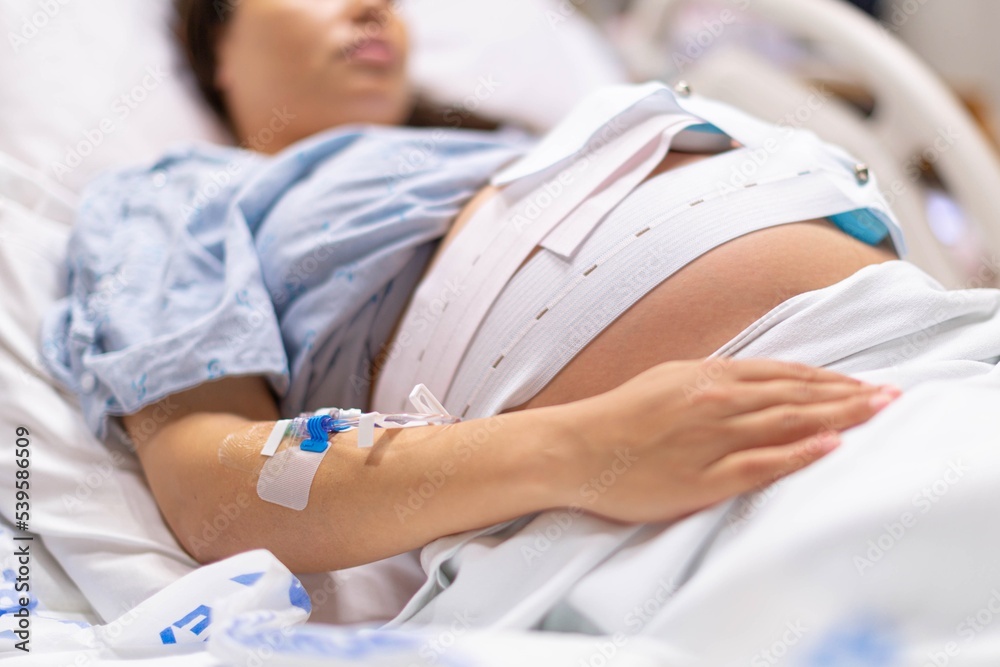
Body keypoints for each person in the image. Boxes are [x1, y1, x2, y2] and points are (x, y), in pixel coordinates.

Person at [41, 0, 902, 574]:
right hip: (709, 472)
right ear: (215, 54)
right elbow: (210, 486)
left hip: (900, 340)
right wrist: (586, 449)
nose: (373, 6)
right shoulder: (176, 192)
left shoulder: (502, 145)